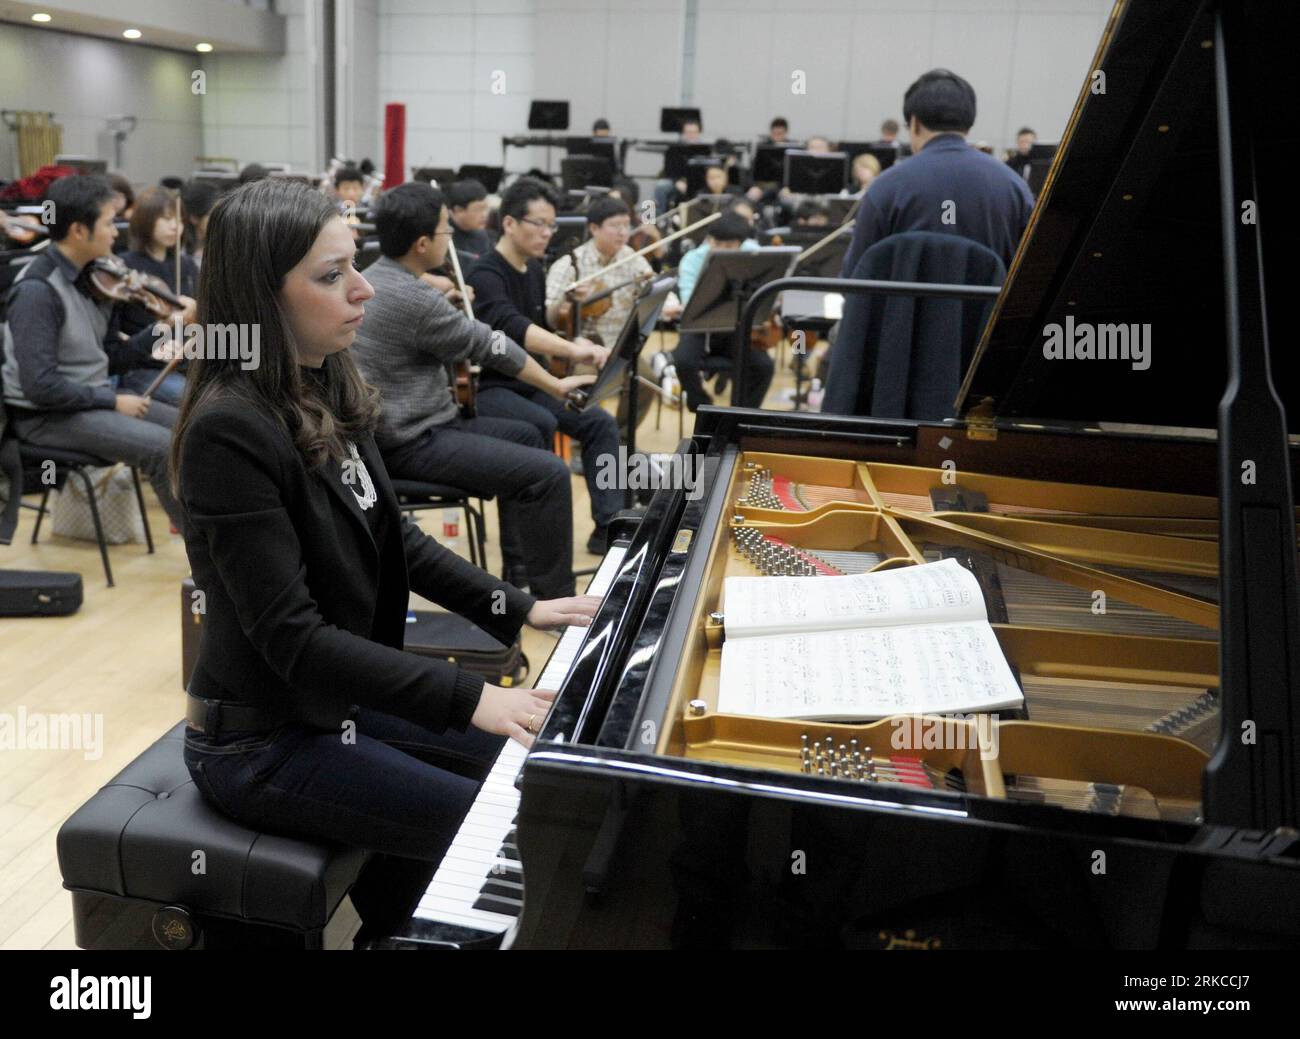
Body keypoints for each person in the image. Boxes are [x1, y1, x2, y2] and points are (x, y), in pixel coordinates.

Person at [171, 176, 600, 943]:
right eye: (332, 275)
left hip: (334, 707)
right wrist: (469, 697)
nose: (365, 289)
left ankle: (396, 923)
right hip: (260, 742)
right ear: (261, 298)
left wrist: (521, 605)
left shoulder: (327, 375)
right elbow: (293, 641)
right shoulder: (228, 432)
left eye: (353, 263)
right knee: (501, 822)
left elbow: (391, 535)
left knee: (533, 770)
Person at [351, 181, 589, 598]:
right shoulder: (416, 298)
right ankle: (556, 598)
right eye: (446, 231)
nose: (451, 240)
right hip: (410, 441)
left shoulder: (377, 277)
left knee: (531, 434)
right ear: (422, 243)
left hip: (418, 427)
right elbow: (490, 343)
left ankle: (518, 568)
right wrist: (554, 383)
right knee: (549, 473)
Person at [1, 174, 185, 528]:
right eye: (106, 223)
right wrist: (113, 402)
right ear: (78, 231)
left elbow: (112, 356)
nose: (116, 232)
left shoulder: (94, 278)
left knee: (190, 427)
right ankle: (205, 563)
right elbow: (40, 386)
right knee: (163, 450)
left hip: (91, 399)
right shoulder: (38, 291)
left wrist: (161, 330)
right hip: (46, 417)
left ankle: (215, 539)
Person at [465, 178, 621, 555]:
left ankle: (609, 528)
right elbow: (513, 329)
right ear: (509, 223)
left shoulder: (533, 269)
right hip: (491, 387)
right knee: (542, 424)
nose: (547, 233)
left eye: (552, 225)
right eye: (540, 224)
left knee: (599, 422)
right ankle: (528, 556)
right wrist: (571, 349)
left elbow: (540, 326)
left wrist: (573, 340)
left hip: (532, 381)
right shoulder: (486, 274)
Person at [842, 69, 1035, 275]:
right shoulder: (1015, 188)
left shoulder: (885, 187)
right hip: (991, 308)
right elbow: (1030, 276)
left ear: (914, 123)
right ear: (968, 126)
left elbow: (855, 278)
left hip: (900, 309)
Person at [671, 211, 773, 412]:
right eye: (716, 244)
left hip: (737, 327)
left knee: (763, 367)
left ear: (740, 244)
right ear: (709, 239)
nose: (720, 250)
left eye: (729, 247)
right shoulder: (692, 259)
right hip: (699, 328)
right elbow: (690, 301)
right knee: (683, 361)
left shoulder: (753, 253)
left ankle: (739, 416)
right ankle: (702, 406)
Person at [118, 186, 200, 406]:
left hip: (188, 361)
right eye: (166, 219)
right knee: (193, 401)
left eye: (180, 220)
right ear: (146, 221)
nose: (175, 226)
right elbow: (116, 331)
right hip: (145, 366)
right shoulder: (126, 266)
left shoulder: (187, 265)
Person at [445, 178, 494, 264]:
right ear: (458, 210)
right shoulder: (441, 234)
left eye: (486, 208)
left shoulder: (481, 235)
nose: (484, 215)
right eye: (478, 209)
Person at [180, 178, 221, 271]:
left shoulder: (223, 249)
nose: (220, 219)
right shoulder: (179, 254)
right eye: (213, 214)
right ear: (194, 218)